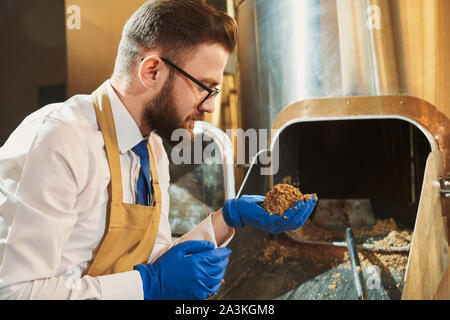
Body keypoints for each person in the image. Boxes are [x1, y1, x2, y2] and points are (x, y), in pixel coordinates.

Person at [0, 0, 317, 300]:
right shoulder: (59, 139)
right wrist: (150, 285)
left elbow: (156, 264)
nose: (209, 107)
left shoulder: (153, 150)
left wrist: (228, 218)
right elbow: (15, 291)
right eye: (203, 88)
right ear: (152, 71)